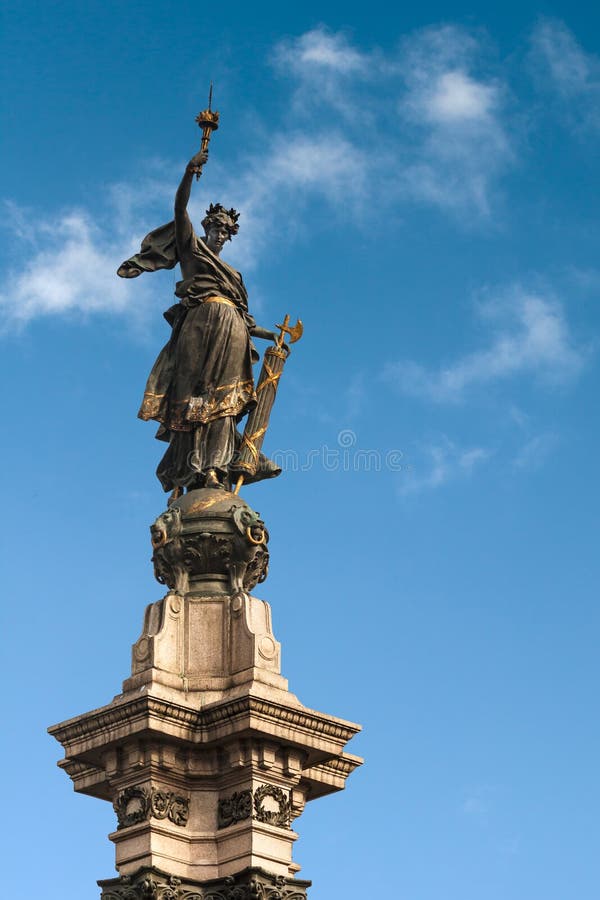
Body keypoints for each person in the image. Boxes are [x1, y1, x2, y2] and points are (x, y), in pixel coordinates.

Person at [117, 149, 281, 494]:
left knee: (224, 405)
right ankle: (188, 467)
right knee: (192, 397)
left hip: (232, 329)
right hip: (199, 324)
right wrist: (189, 172)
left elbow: (245, 318)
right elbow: (179, 210)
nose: (222, 235)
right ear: (206, 227)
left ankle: (214, 469)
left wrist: (276, 337)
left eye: (228, 232)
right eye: (218, 228)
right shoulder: (192, 250)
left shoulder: (234, 274)